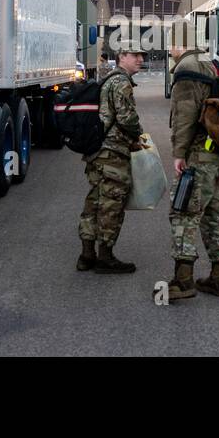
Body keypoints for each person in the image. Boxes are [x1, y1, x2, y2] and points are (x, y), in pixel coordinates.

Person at [166, 23, 219, 299]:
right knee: (217, 214)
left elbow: (185, 116)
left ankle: (183, 281)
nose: (170, 51)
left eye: (171, 44)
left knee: (184, 212)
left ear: (179, 43)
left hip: (200, 155)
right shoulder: (212, 63)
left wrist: (179, 154)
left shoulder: (187, 68)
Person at [78, 42, 147, 274]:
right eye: (135, 55)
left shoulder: (109, 79)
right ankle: (105, 257)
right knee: (112, 204)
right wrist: (139, 136)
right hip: (112, 153)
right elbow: (126, 118)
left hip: (97, 151)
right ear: (122, 57)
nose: (140, 59)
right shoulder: (121, 82)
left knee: (95, 200)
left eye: (142, 55)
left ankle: (87, 254)